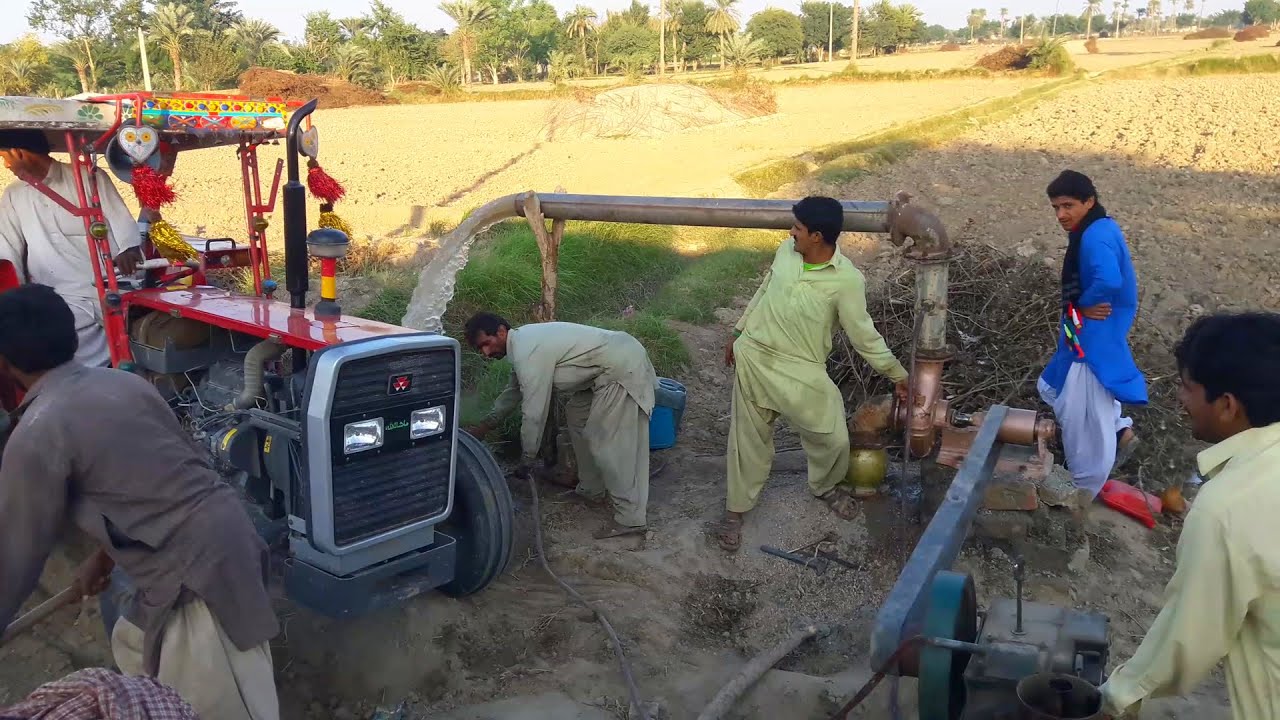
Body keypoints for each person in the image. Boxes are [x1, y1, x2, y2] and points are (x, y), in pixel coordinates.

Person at [0, 284, 280, 720]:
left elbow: (14, 557)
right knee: (136, 649)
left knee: (218, 705)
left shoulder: (37, 432)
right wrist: (103, 558)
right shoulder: (122, 384)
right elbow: (155, 483)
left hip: (194, 572)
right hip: (221, 539)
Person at [1099, 312, 1280, 719]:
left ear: (1228, 405)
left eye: (1187, 387)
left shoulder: (1230, 507)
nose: (1180, 400)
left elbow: (1186, 638)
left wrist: (1112, 700)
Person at [716, 196, 909, 552]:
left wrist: (898, 375)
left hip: (801, 368)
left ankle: (824, 487)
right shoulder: (786, 253)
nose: (791, 233)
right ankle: (735, 512)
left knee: (832, 436)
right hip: (755, 358)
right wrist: (739, 332)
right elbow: (764, 290)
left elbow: (864, 336)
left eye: (798, 228)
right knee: (747, 441)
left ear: (817, 236)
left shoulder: (847, 280)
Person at [465, 313, 658, 539]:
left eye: (486, 344)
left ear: (500, 332)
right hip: (602, 371)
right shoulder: (522, 347)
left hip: (621, 368)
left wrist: (527, 457)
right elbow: (512, 393)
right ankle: (592, 489)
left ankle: (630, 519)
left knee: (608, 443)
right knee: (576, 416)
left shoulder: (528, 350)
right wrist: (484, 427)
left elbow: (534, 412)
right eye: (481, 350)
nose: (486, 353)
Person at [1036, 170, 1146, 498]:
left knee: (1081, 416)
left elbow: (1109, 280)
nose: (1061, 215)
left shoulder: (1094, 236)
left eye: (1068, 205)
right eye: (1055, 207)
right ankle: (1119, 429)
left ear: (1089, 201)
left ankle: (1083, 490)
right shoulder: (1100, 227)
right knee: (1054, 388)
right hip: (1088, 334)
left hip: (1090, 339)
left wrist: (1083, 304)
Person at [0, 129, 143, 368]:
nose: (5, 166)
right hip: (52, 295)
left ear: (19, 153)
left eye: (5, 157)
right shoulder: (13, 194)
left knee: (49, 341)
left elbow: (121, 221)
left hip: (97, 291)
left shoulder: (89, 178)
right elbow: (7, 246)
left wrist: (128, 248)